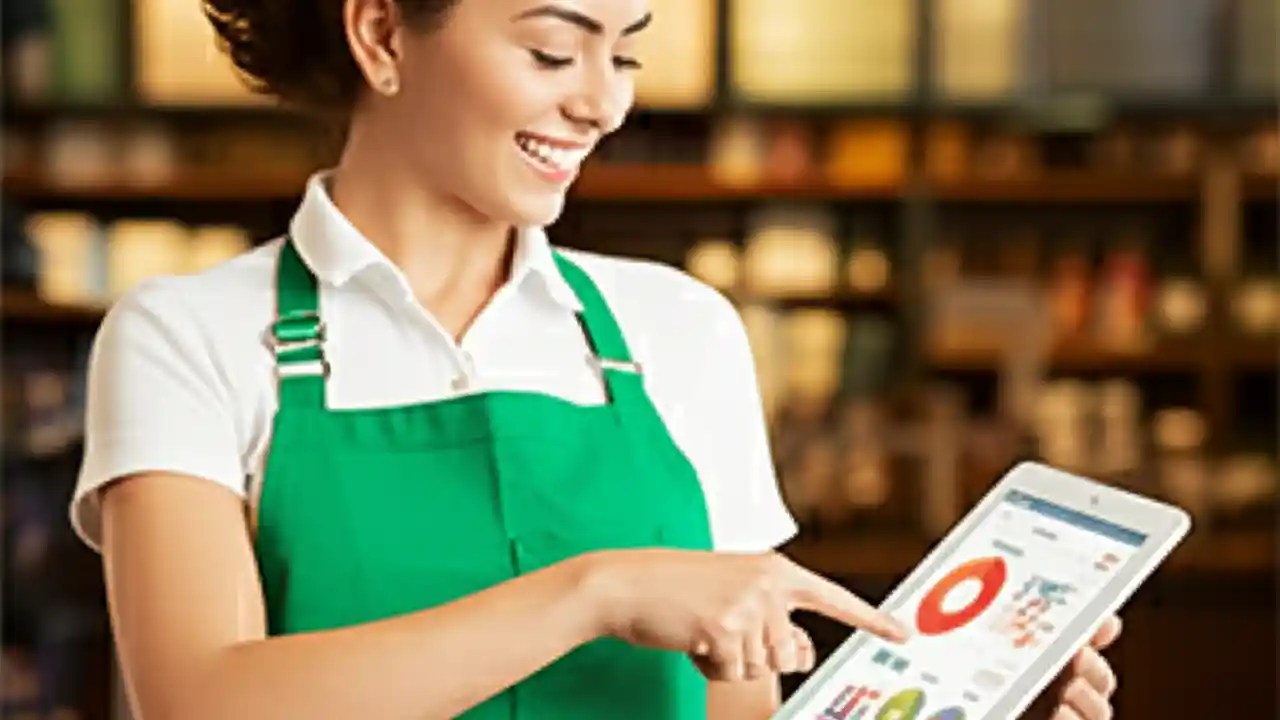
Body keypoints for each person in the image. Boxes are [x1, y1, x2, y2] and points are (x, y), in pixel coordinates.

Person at [68, 1, 1123, 718]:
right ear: (382, 32)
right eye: (550, 51)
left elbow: (734, 705)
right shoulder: (187, 334)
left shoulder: (679, 329)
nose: (601, 103)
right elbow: (202, 701)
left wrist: (956, 699)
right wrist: (594, 592)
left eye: (623, 54)